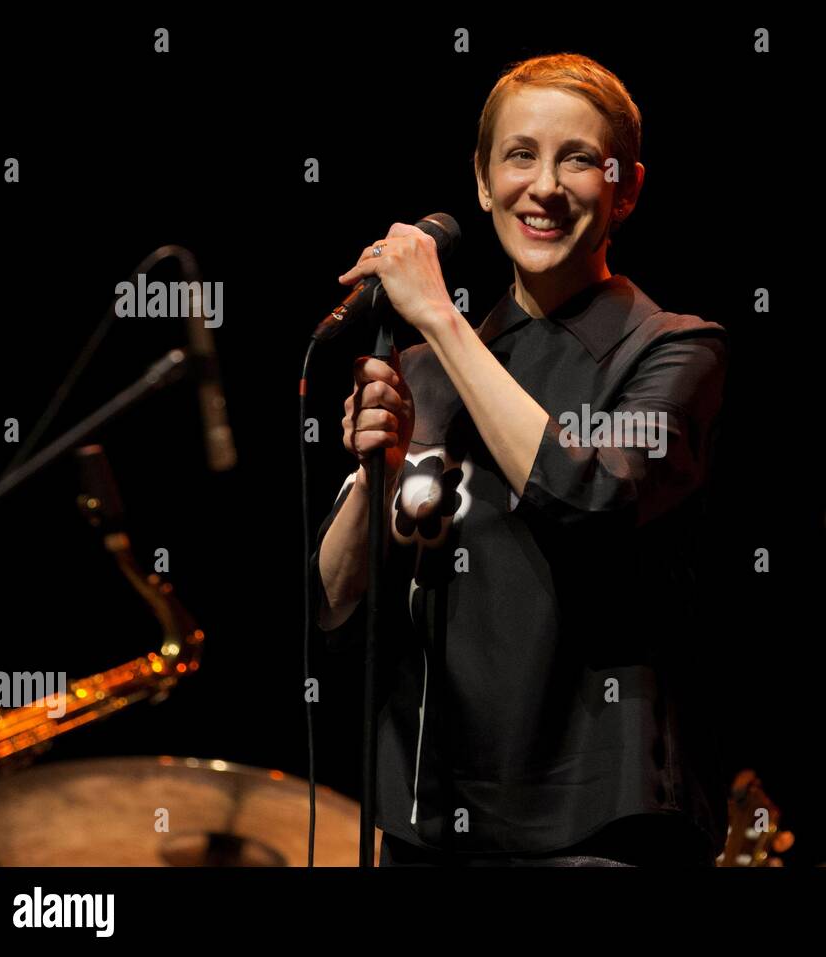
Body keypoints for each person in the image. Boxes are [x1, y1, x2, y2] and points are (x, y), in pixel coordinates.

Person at [310, 52, 728, 867]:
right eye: (519, 155)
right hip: (428, 823)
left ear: (627, 189)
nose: (544, 185)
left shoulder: (674, 350)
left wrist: (441, 319)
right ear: (481, 179)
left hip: (598, 827)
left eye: (578, 158)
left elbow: (591, 493)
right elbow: (331, 606)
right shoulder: (426, 369)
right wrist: (377, 475)